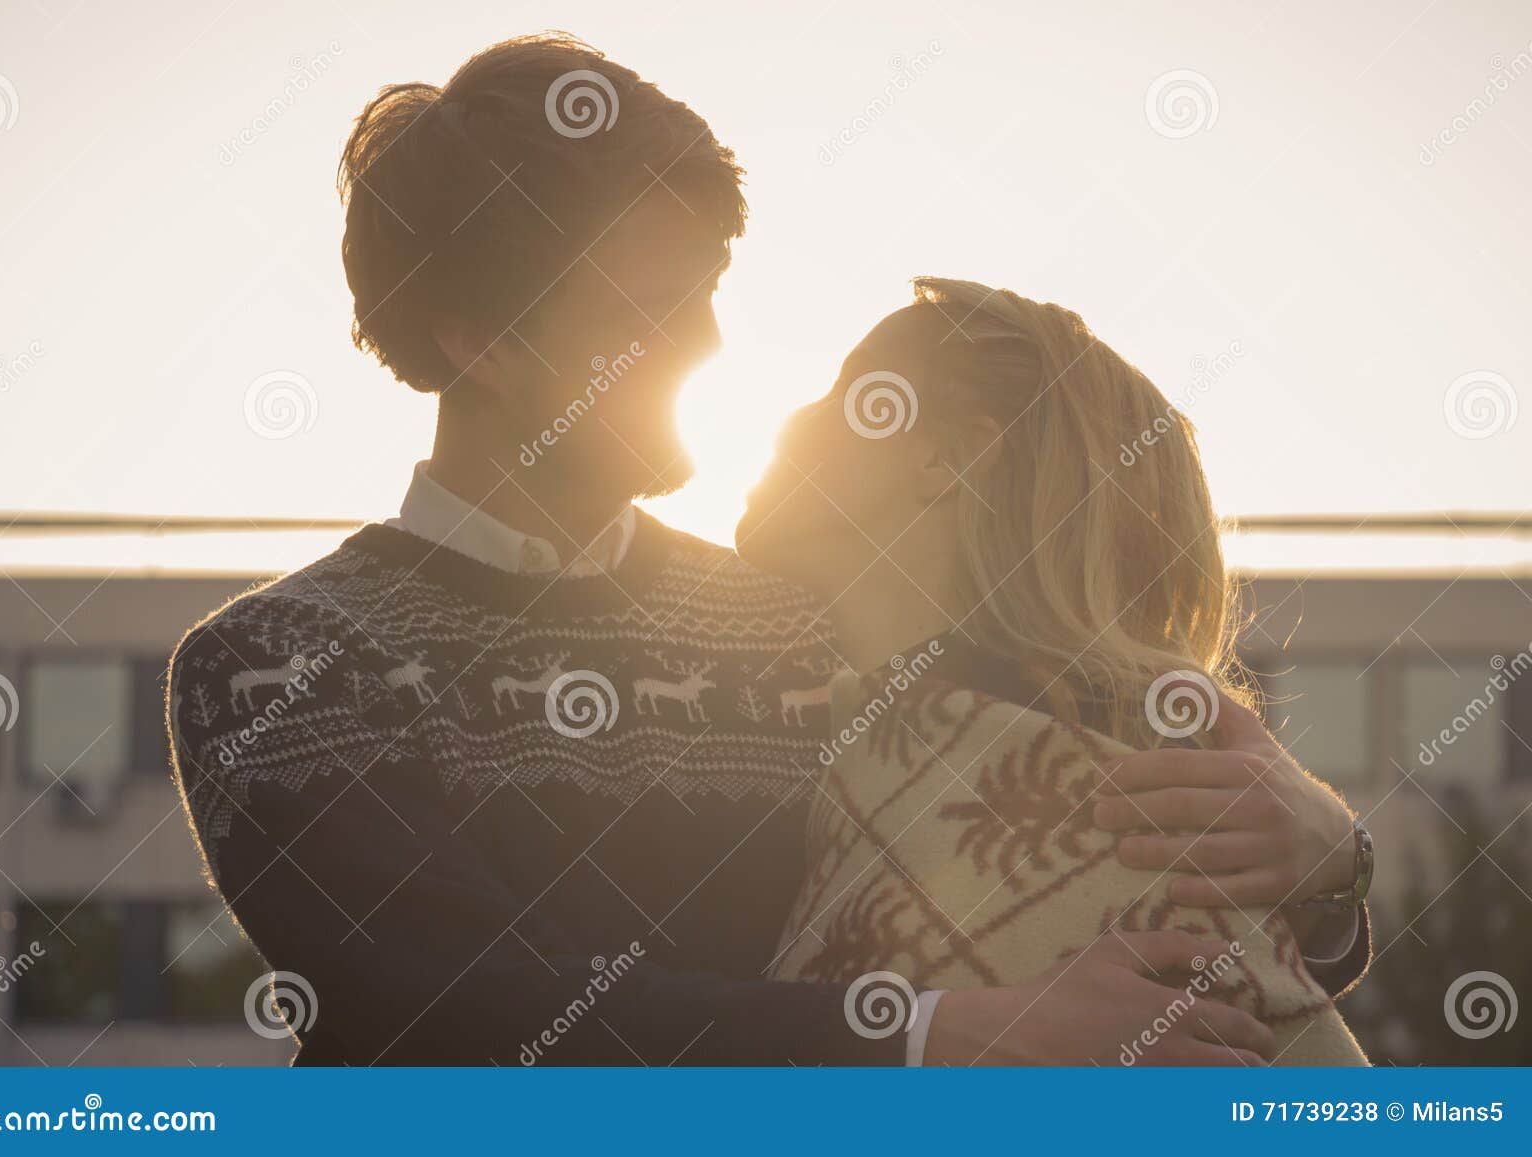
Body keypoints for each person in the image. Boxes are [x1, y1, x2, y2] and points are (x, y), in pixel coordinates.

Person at [167, 34, 1367, 1066]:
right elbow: (455, 1008)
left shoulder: (791, 619)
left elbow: (1071, 813)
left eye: (708, 291)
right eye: (645, 312)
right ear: (478, 342)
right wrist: (938, 1033)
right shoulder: (276, 663)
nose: (706, 346)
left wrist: (1322, 846)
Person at [737, 278, 1370, 1063]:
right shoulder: (813, 721)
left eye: (850, 389)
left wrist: (1339, 872)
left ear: (945, 459)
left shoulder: (1107, 824)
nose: (794, 419)